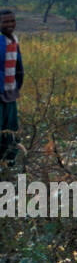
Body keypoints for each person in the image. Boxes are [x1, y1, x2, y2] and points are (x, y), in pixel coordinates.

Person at [0, 10, 23, 169]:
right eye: (5, 22)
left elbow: (18, 66)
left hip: (10, 92)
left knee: (11, 132)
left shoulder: (14, 40)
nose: (9, 25)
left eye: (12, 21)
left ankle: (9, 167)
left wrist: (18, 85)